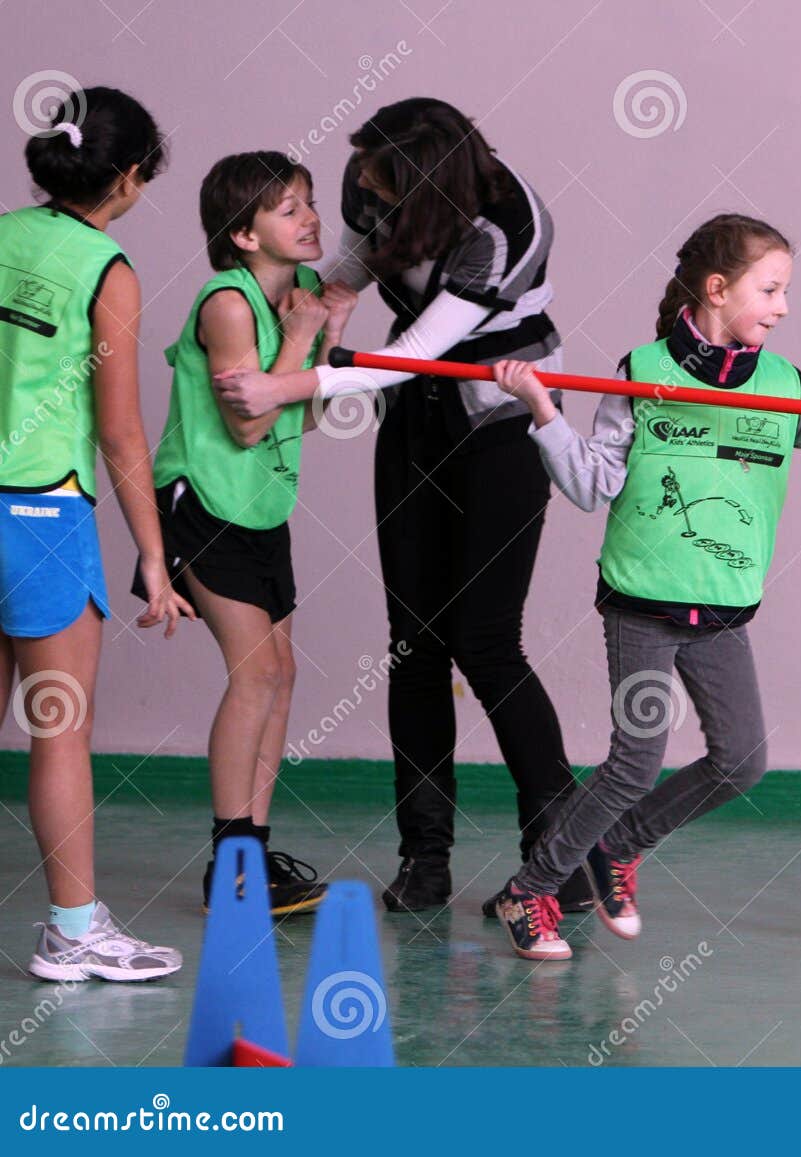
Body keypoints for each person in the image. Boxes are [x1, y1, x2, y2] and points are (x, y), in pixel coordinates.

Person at [487, 213, 801, 959]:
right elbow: (592, 483)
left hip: (723, 607)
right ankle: (528, 892)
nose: (783, 307)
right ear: (717, 288)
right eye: (771, 289)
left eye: (785, 291)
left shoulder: (788, 385)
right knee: (635, 759)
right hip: (645, 600)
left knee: (741, 759)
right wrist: (541, 411)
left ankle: (618, 846)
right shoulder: (637, 373)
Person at [211, 98, 587, 915]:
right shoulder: (374, 180)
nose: (365, 194)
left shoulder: (507, 229)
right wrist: (335, 297)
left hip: (502, 414)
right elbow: (355, 266)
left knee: (485, 643)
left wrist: (287, 384)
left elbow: (414, 351)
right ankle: (426, 858)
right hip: (416, 416)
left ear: (433, 181)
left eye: (386, 185)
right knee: (414, 644)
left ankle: (557, 864)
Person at [0, 86, 193, 981]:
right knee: (59, 727)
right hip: (41, 514)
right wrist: (154, 553)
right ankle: (73, 931)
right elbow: (120, 432)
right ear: (128, 177)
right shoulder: (107, 270)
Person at [140, 151, 358, 915]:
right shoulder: (228, 304)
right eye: (287, 208)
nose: (310, 219)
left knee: (283, 674)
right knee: (257, 674)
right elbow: (246, 425)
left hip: (263, 506)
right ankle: (230, 863)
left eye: (308, 203)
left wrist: (331, 332)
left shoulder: (297, 295)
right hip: (204, 499)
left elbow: (315, 411)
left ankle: (253, 860)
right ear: (243, 234)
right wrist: (300, 340)